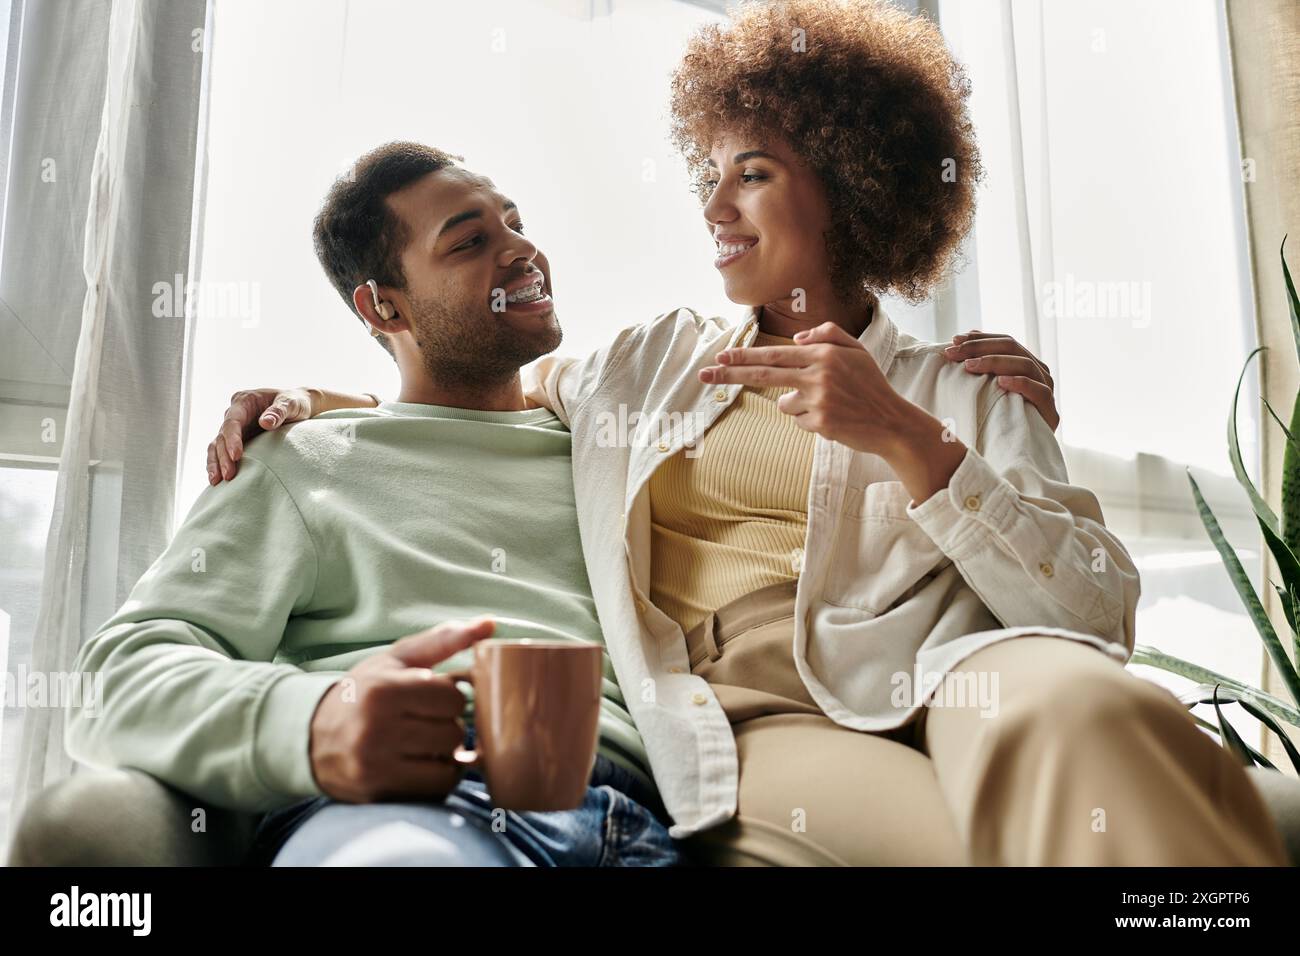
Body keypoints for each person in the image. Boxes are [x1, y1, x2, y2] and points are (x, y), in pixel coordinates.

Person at [206, 0, 1288, 865]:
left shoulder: (964, 388)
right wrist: (302, 401)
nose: (715, 205)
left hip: (963, 672)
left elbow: (1095, 610)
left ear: (853, 181)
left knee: (1091, 707)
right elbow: (465, 395)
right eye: (707, 175)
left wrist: (915, 443)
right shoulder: (643, 364)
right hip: (759, 715)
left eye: (753, 173)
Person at [65, 143, 680, 867]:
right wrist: (318, 718)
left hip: (646, 824)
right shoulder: (300, 460)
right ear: (383, 304)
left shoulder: (604, 444)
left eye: (514, 222)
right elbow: (115, 678)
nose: (522, 250)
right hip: (417, 805)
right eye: (472, 241)